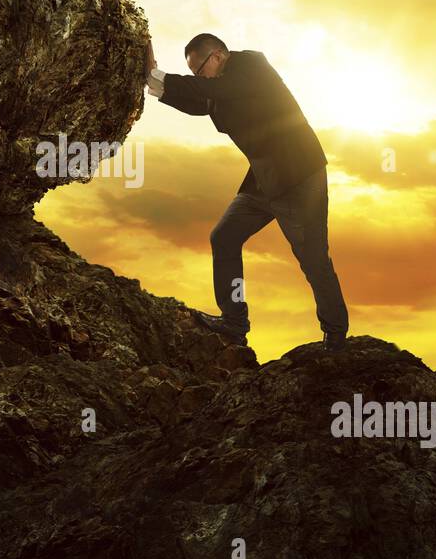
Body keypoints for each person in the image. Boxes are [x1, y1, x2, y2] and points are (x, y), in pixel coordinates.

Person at [145, 33, 348, 350]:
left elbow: (211, 89)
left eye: (200, 70)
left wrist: (162, 78)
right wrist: (154, 82)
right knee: (224, 237)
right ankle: (234, 321)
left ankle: (335, 333)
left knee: (313, 259)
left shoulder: (251, 65)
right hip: (264, 178)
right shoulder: (217, 88)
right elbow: (198, 100)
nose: (200, 77)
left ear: (218, 56)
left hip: (298, 176)